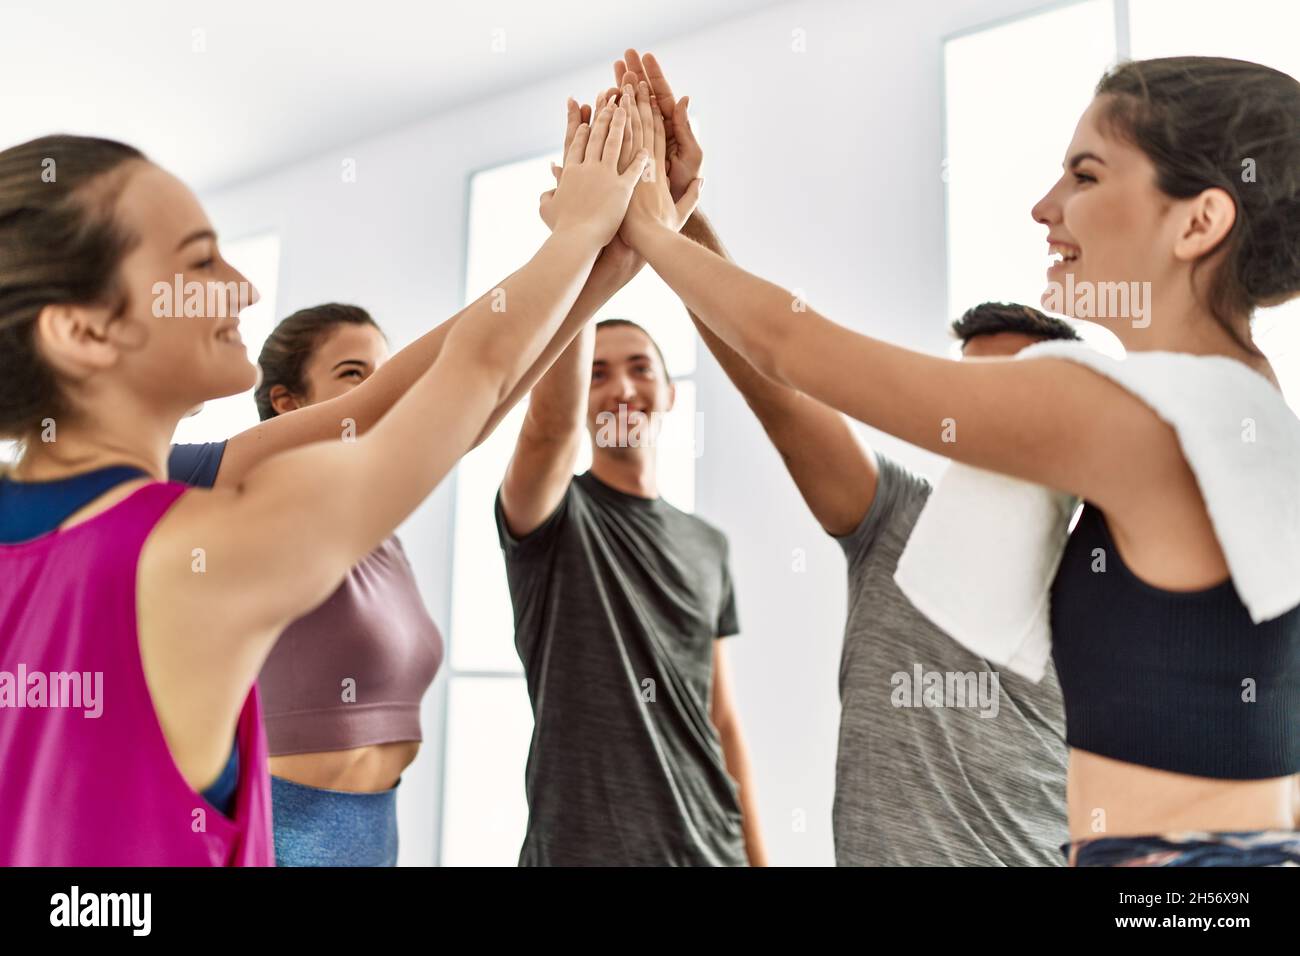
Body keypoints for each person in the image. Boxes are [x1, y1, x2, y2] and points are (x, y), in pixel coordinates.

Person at [618, 55, 1300, 866]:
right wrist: (682, 218)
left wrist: (644, 226)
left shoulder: (1144, 417)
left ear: (1198, 223)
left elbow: (790, 343)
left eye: (1085, 176)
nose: (1045, 207)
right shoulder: (1237, 407)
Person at [0, 110, 650, 864]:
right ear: (82, 332)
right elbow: (455, 387)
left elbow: (438, 404)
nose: (242, 290)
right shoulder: (192, 546)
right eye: (201, 265)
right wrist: (579, 237)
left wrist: (599, 259)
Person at [696, 289, 1079, 864]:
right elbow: (774, 388)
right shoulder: (893, 519)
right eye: (963, 391)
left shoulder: (1113, 584)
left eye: (1006, 392)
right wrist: (678, 228)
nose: (978, 411)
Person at [496, 58, 763, 866]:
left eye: (640, 367)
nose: (619, 387)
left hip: (707, 848)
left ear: (670, 394)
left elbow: (721, 719)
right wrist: (582, 237)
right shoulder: (550, 514)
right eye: (599, 371)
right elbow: (545, 432)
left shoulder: (707, 545)